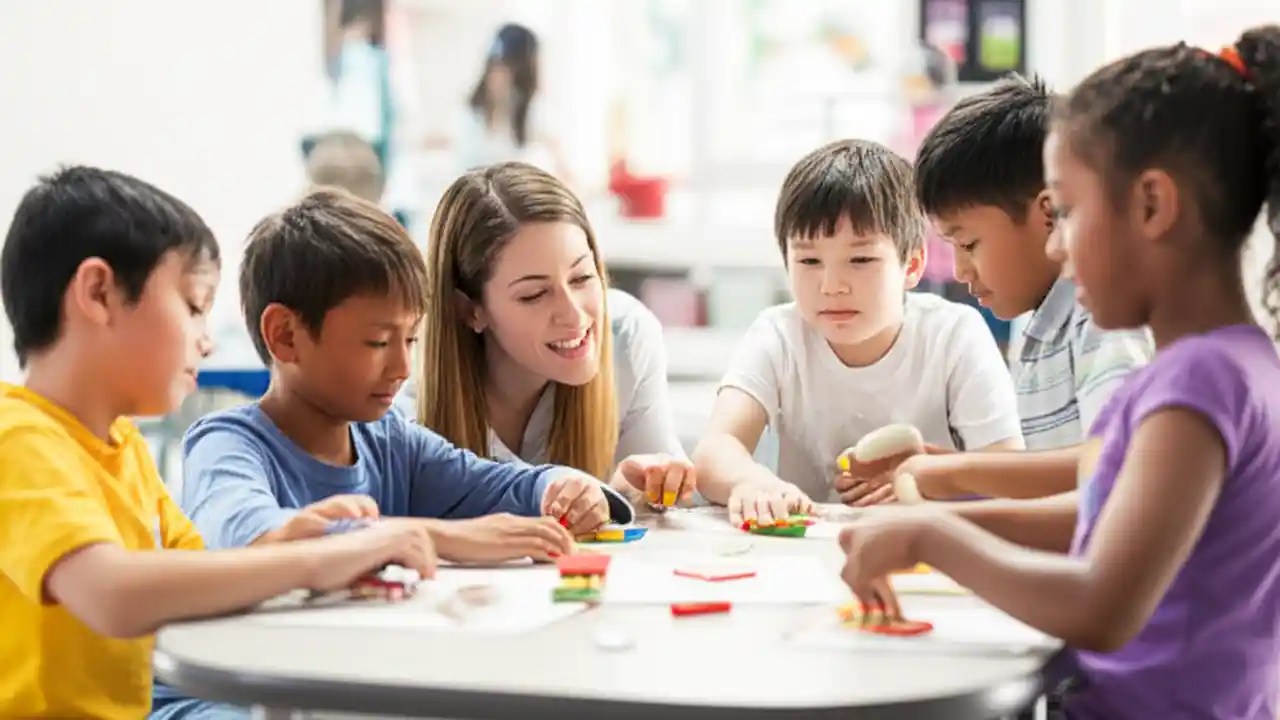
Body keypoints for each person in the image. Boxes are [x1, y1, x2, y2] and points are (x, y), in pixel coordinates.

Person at [838, 27, 1280, 718]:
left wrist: (935, 536)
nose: (1057, 242)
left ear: (1153, 206)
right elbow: (1103, 518)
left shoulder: (1198, 386)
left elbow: (1102, 604)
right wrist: (947, 511)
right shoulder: (1234, 363)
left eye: (1069, 212)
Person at [151, 187, 630, 720]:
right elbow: (255, 539)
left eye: (413, 340)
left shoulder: (390, 439)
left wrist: (560, 487)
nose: (402, 367)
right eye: (380, 342)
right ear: (285, 336)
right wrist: (424, 536)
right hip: (224, 701)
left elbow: (490, 485)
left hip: (334, 690)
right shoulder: (227, 444)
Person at [0, 167, 435, 720]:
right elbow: (112, 594)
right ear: (98, 293)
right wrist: (314, 560)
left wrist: (280, 543)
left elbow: (202, 577)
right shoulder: (16, 438)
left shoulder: (122, 447)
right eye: (193, 305)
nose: (206, 341)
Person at [839, 74, 1152, 504]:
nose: (962, 270)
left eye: (969, 244)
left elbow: (1117, 462)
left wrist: (959, 472)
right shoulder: (1034, 325)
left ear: (1048, 213)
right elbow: (1045, 487)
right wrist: (947, 476)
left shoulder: (1102, 316)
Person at [692, 139, 1024, 525]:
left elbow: (1006, 467)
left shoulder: (953, 335)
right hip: (808, 549)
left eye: (861, 259)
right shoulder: (778, 334)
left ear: (912, 264)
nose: (832, 285)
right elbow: (717, 448)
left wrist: (925, 485)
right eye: (810, 260)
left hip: (927, 547)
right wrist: (754, 484)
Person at [407, 162, 695, 509]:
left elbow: (661, 500)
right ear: (469, 309)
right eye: (534, 295)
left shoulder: (626, 336)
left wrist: (635, 491)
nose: (574, 314)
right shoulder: (407, 405)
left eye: (582, 278)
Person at [456, 24, 567, 179]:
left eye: (505, 69)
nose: (498, 76)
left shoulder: (531, 113)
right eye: (495, 67)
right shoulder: (472, 112)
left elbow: (559, 156)